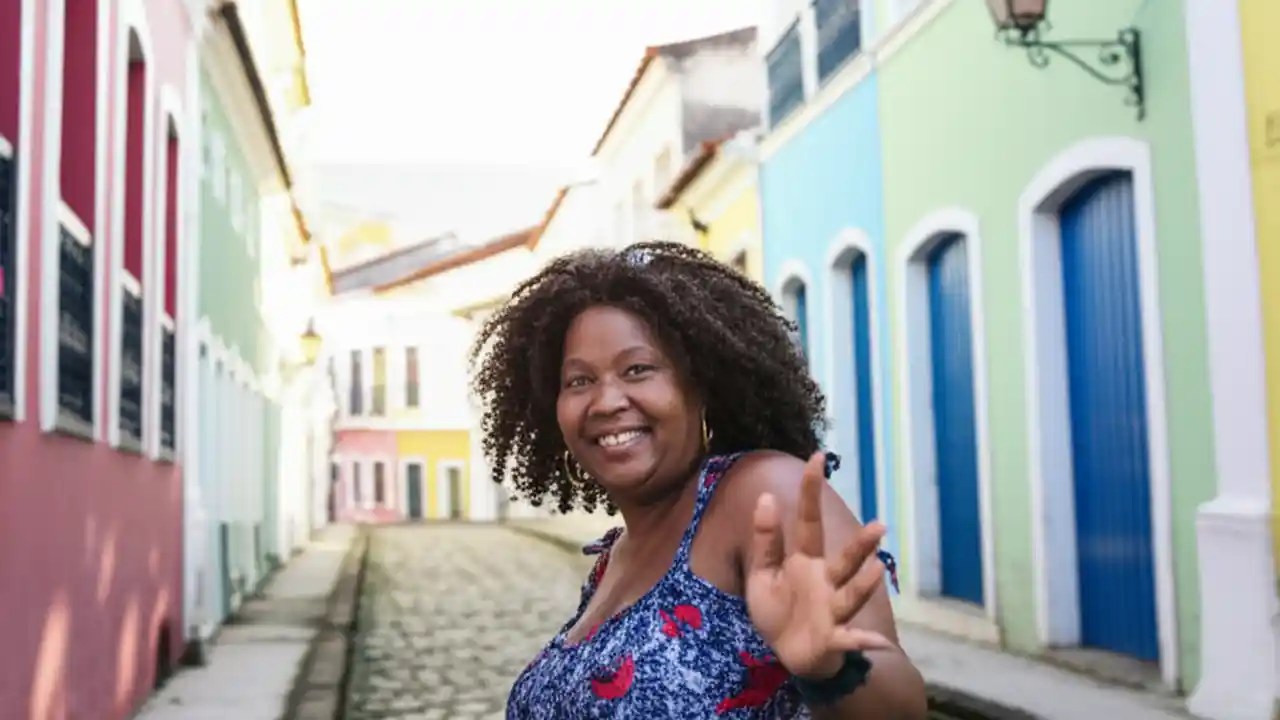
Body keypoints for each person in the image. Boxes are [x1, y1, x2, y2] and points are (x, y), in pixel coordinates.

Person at [470, 241, 928, 718]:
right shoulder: (614, 559)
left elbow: (902, 710)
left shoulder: (761, 494)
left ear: (701, 384)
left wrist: (834, 670)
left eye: (638, 369)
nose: (606, 402)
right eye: (579, 381)